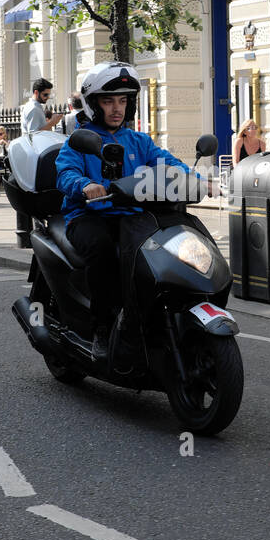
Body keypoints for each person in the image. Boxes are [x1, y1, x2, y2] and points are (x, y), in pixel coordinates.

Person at [55, 61, 218, 370]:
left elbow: (166, 163)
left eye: (123, 100)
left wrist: (198, 180)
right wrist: (85, 184)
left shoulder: (139, 141)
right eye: (108, 101)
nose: (117, 108)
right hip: (89, 216)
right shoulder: (80, 140)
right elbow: (65, 173)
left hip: (132, 216)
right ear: (93, 104)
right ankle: (102, 329)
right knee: (103, 250)